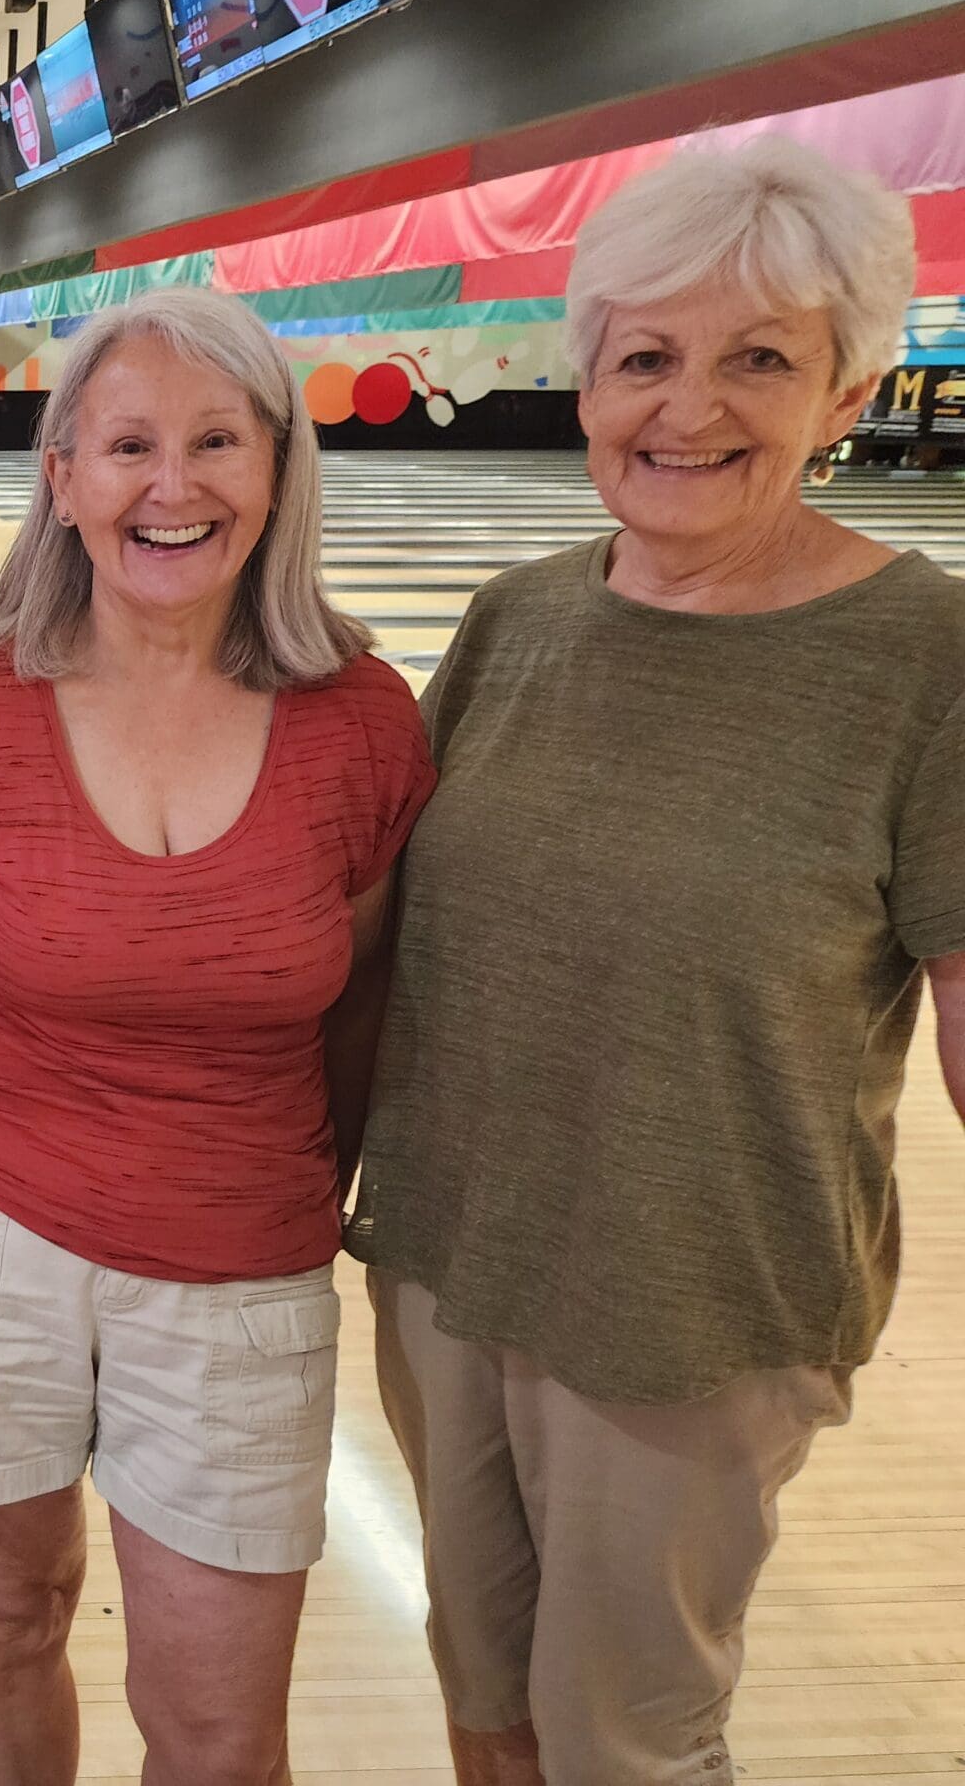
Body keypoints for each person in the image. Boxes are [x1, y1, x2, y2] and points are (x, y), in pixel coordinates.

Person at [350, 139, 965, 1783]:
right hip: (443, 1257)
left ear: (846, 391)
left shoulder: (928, 659)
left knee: (625, 1737)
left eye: (759, 357)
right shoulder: (517, 617)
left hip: (694, 1299)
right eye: (646, 358)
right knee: (483, 1699)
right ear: (591, 379)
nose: (687, 407)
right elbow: (384, 940)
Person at [0, 287, 434, 1784]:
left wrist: (288, 1196)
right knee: (8, 1616)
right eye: (130, 444)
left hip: (236, 1272)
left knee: (218, 1730)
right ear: (63, 476)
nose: (174, 485)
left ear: (276, 471)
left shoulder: (361, 724)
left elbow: (354, 1010)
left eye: (217, 441)